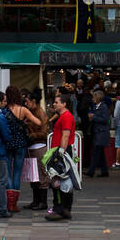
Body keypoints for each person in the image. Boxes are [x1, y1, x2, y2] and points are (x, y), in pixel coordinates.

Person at [4, 86, 41, 212]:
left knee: (8, 171)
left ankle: (9, 202)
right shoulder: (23, 110)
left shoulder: (4, 110)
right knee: (17, 172)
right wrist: (26, 123)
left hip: (7, 144)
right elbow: (38, 122)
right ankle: (14, 204)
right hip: (20, 144)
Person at [45, 92, 76, 220]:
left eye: (56, 102)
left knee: (57, 181)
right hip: (59, 150)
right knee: (62, 180)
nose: (54, 104)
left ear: (64, 104)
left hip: (61, 151)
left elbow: (65, 135)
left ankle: (59, 209)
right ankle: (65, 209)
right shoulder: (63, 116)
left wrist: (60, 153)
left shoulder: (67, 117)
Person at [23, 89, 51, 210]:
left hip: (39, 147)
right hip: (32, 147)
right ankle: (36, 201)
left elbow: (44, 133)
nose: (25, 103)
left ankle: (43, 202)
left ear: (34, 101)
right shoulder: (30, 112)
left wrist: (32, 135)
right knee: (33, 175)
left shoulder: (40, 113)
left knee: (41, 175)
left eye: (27, 101)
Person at [85, 88, 112, 178]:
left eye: (93, 97)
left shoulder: (103, 107)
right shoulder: (97, 106)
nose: (92, 99)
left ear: (98, 98)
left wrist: (93, 117)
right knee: (100, 154)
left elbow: (105, 120)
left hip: (101, 133)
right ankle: (104, 171)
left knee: (97, 153)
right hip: (98, 132)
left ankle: (91, 171)